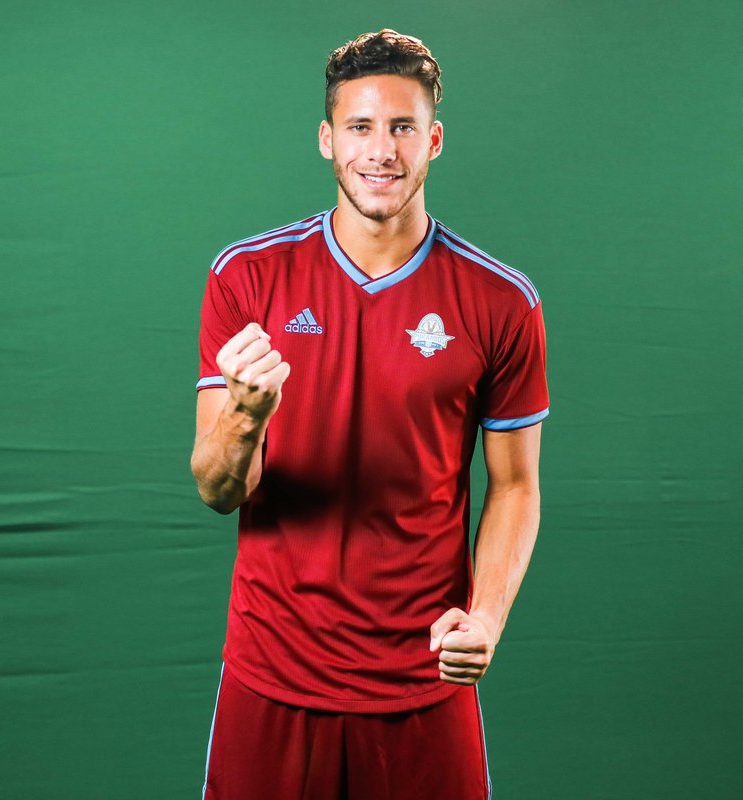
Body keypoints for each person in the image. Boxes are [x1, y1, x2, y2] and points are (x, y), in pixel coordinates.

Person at [191, 28, 548, 800]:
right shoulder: (246, 278)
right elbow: (217, 490)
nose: (380, 151)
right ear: (327, 139)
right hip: (273, 671)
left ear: (434, 141)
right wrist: (246, 417)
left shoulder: (501, 301)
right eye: (360, 127)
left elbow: (517, 486)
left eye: (402, 127)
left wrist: (485, 619)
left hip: (424, 675)